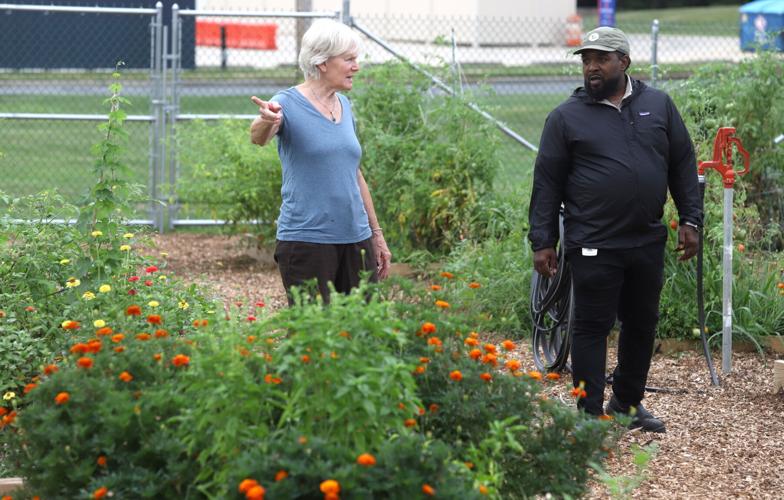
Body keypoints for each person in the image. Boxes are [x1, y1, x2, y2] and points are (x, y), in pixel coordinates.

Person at [527, 27, 702, 432]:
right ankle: (589, 416)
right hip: (594, 242)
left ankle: (626, 403)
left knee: (642, 324)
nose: (592, 67)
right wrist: (543, 241)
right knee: (592, 326)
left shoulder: (658, 105)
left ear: (623, 62)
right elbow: (546, 183)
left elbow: (682, 163)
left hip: (646, 239)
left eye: (601, 59)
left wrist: (691, 219)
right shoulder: (565, 118)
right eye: (587, 59)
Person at [249, 19, 392, 305]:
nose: (356, 66)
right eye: (349, 59)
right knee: (314, 328)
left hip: (357, 239)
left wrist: (376, 235)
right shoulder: (285, 103)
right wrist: (267, 120)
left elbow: (354, 174)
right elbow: (258, 137)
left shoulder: (344, 105)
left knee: (365, 325)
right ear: (323, 62)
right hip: (307, 241)